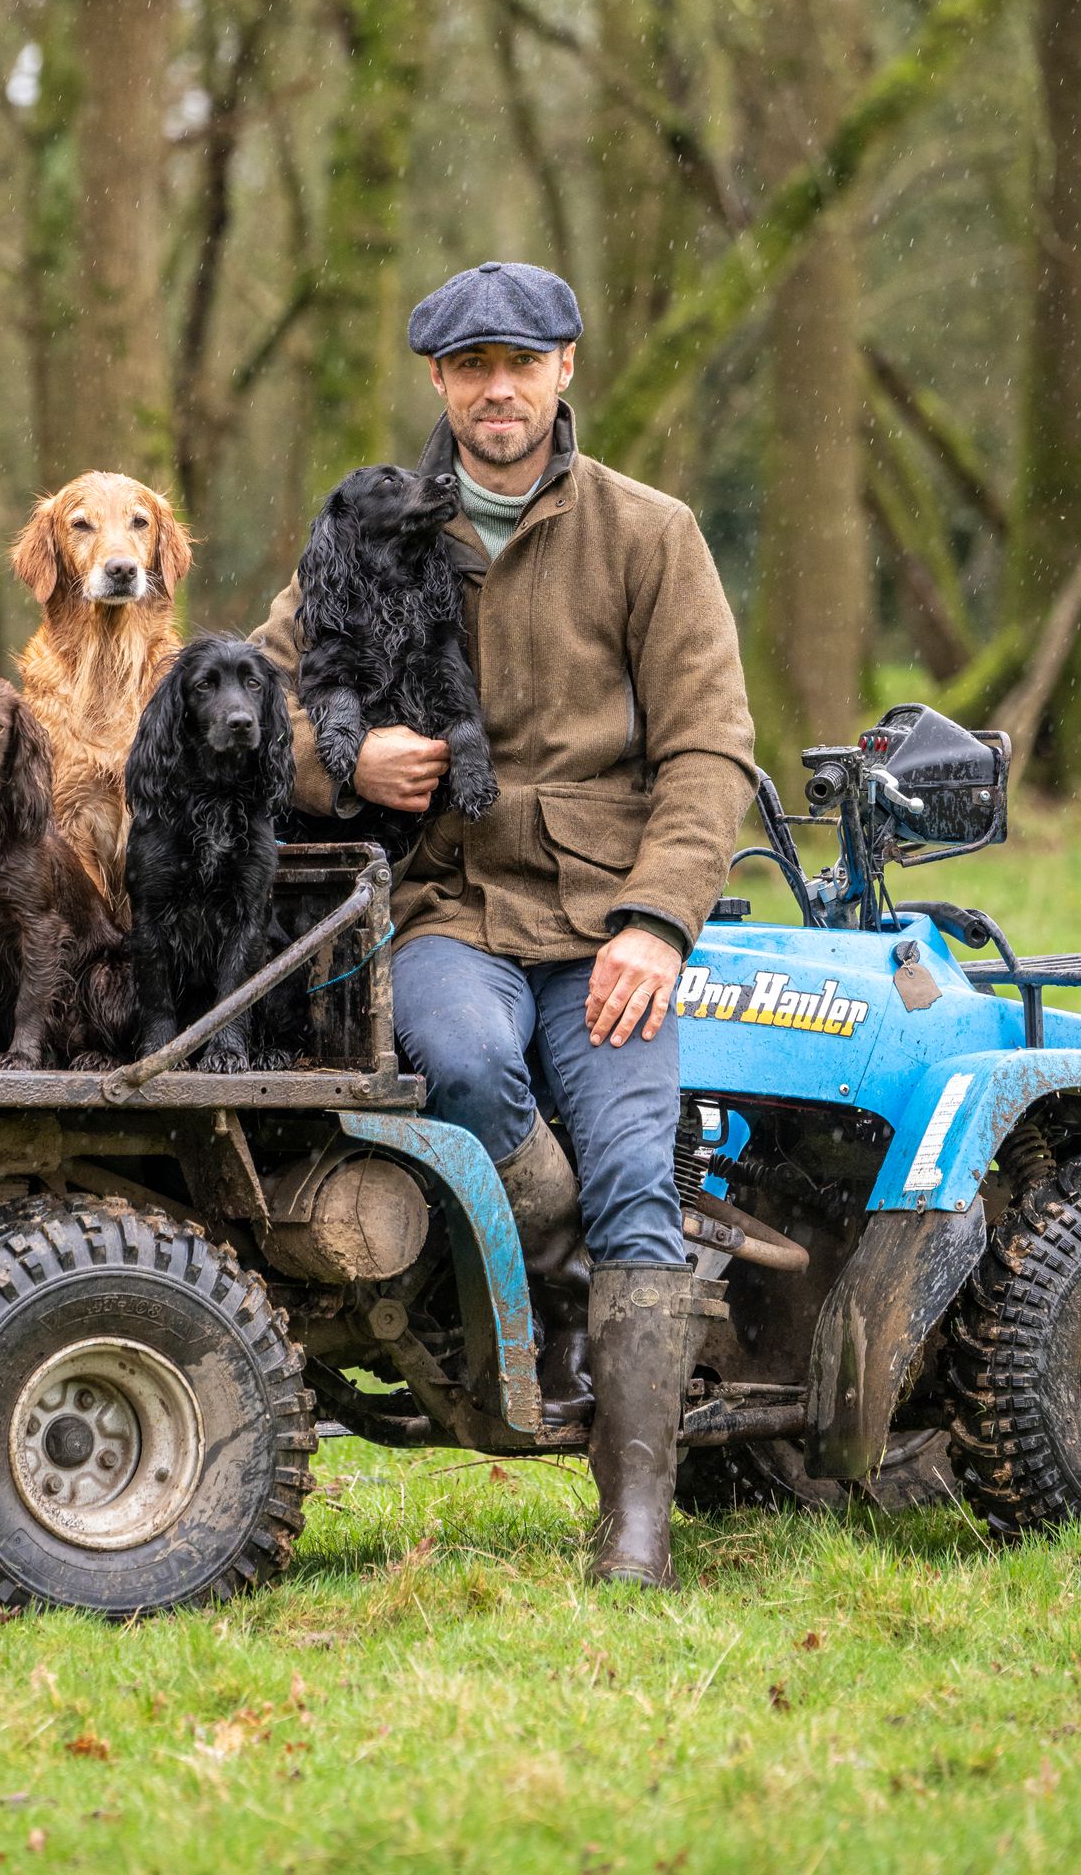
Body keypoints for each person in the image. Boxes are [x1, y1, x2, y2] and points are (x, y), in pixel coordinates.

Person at [256, 259, 757, 1589]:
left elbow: (711, 750)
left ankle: (638, 1519)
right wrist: (346, 766)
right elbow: (259, 701)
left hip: (607, 924)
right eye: (471, 368)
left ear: (565, 371)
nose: (496, 390)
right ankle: (566, 1271)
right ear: (439, 382)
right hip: (442, 912)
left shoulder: (651, 534)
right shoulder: (373, 532)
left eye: (519, 364)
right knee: (465, 1065)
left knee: (643, 1172)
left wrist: (658, 925)